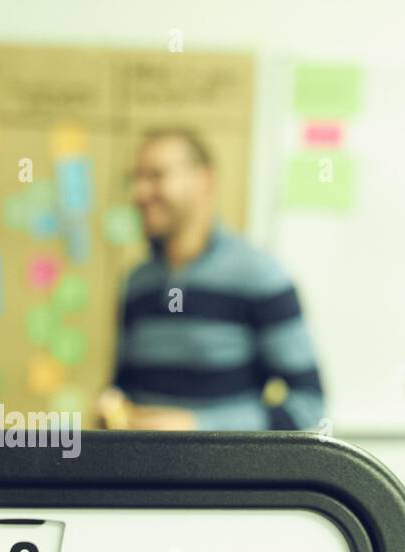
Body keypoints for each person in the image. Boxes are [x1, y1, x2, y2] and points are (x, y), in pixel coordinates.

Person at [97, 129, 325, 431]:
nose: (140, 193)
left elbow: (308, 407)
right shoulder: (137, 283)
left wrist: (198, 427)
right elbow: (122, 388)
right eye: (135, 179)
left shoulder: (259, 275)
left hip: (221, 464)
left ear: (204, 180)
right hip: (139, 462)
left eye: (155, 176)